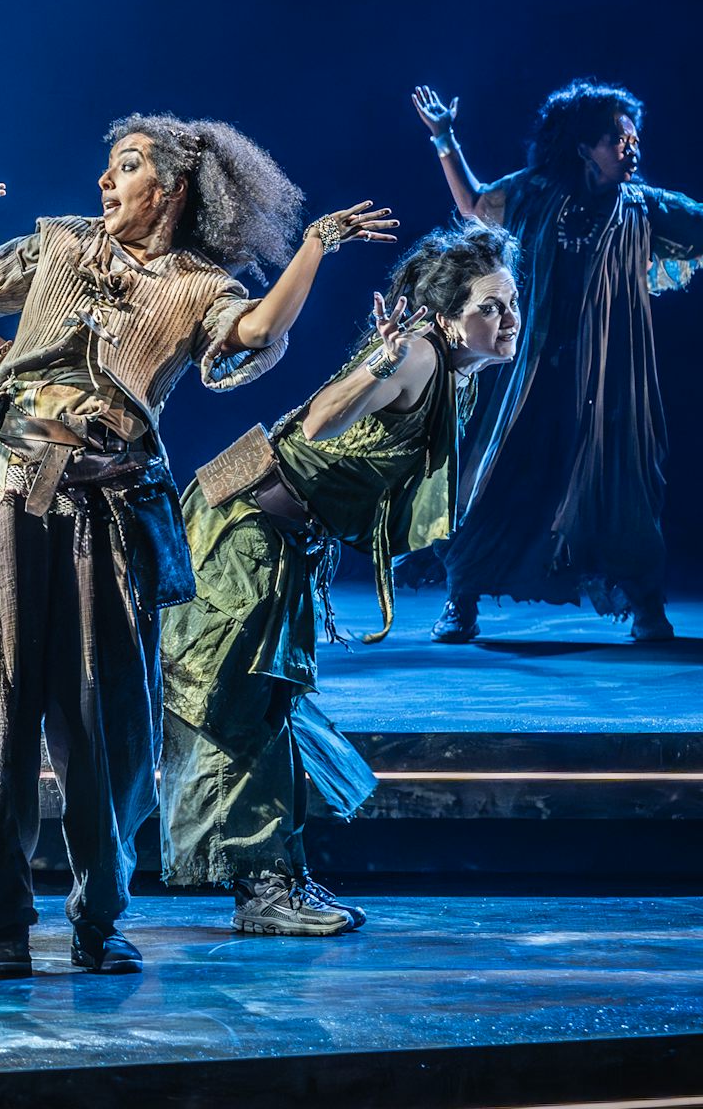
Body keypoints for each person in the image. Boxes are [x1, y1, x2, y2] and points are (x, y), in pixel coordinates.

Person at [0, 113, 396, 979]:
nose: (106, 181)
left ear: (172, 189)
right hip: (6, 497)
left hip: (107, 512)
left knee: (103, 721)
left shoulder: (199, 285)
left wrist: (315, 247)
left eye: (127, 166)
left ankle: (99, 918)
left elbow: (255, 333)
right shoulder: (59, 243)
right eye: (108, 167)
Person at [159, 222, 520, 934]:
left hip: (265, 523)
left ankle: (279, 879)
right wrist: (383, 359)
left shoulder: (453, 372)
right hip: (242, 530)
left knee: (264, 704)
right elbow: (319, 422)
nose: (509, 320)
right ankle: (264, 891)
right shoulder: (417, 354)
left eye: (511, 304)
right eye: (490, 307)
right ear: (447, 317)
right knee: (241, 705)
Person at [411, 81, 703, 642]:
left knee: (624, 485)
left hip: (606, 383)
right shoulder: (534, 193)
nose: (632, 148)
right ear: (584, 146)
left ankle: (646, 605)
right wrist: (445, 137)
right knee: (495, 478)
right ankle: (461, 598)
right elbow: (476, 206)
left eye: (633, 138)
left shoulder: (643, 207)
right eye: (618, 139)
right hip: (531, 378)